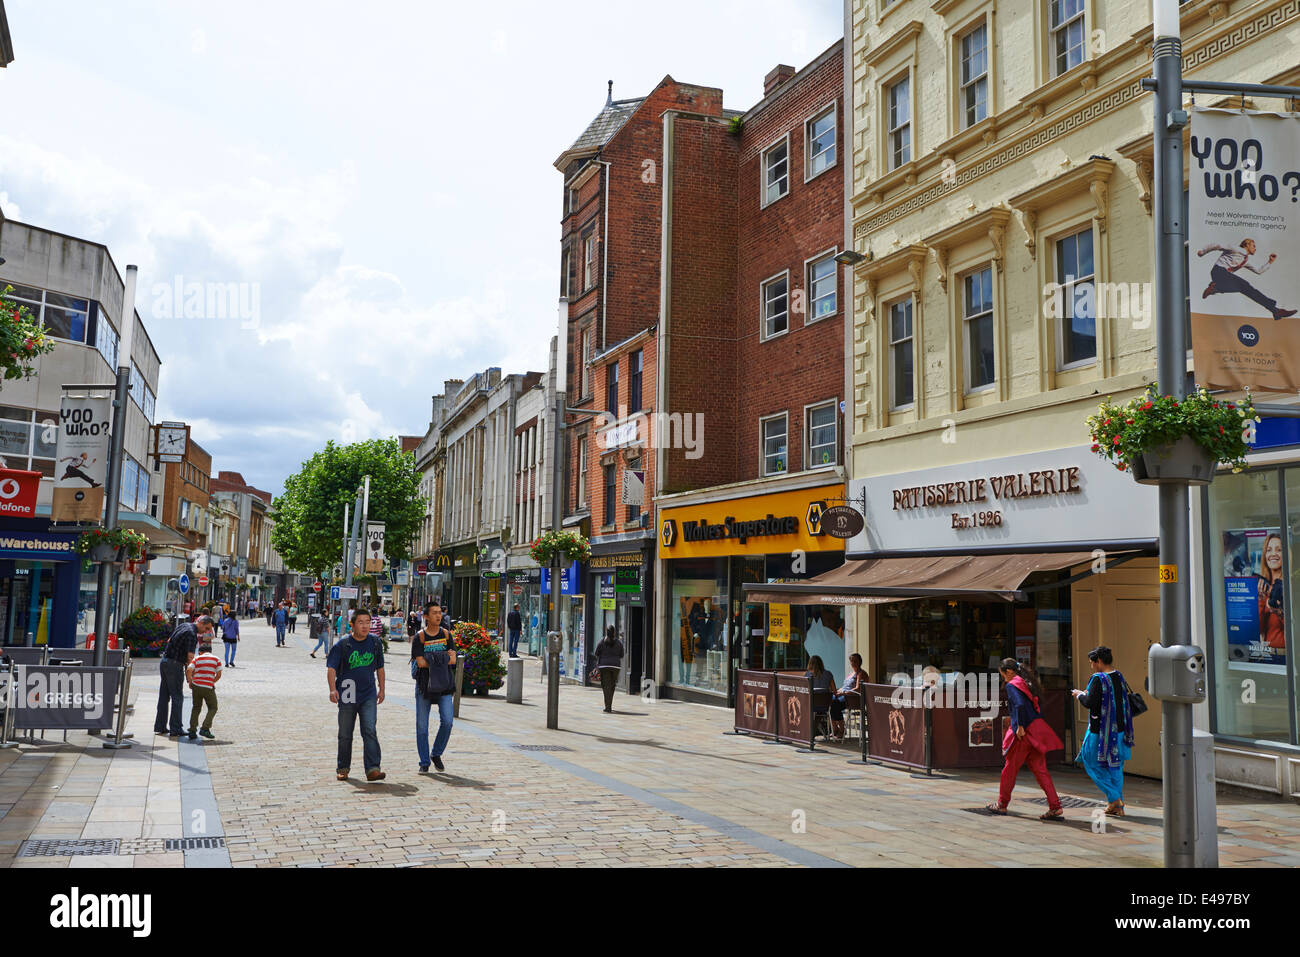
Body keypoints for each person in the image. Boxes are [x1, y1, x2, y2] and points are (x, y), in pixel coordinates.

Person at [988, 658, 1065, 820]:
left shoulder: (1012, 684)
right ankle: (1055, 806)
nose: (1003, 678)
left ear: (1008, 672)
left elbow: (1019, 705)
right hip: (1035, 730)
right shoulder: (1026, 682)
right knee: (1041, 770)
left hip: (1023, 733)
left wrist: (1020, 726)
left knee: (1009, 769)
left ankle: (1002, 805)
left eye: (1003, 674)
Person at [1071, 645, 1133, 816]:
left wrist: (1079, 695)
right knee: (1115, 766)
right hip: (1119, 729)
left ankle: (1114, 799)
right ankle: (1117, 805)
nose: (1091, 666)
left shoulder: (1098, 678)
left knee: (1090, 761)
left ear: (1098, 661)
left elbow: (1090, 703)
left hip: (1101, 731)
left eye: (1092, 662)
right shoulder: (1118, 676)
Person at [326, 608, 386, 781]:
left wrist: (382, 689)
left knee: (369, 730)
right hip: (348, 691)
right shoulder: (343, 644)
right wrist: (332, 689)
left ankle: (373, 768)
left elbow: (380, 668)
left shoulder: (375, 642)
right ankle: (343, 767)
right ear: (352, 625)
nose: (365, 626)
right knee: (345, 733)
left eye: (368, 622)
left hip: (368, 692)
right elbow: (331, 669)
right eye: (361, 622)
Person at [1198, 239, 1297, 320]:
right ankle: (1216, 288)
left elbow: (1258, 271)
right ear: (1247, 245)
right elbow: (1217, 245)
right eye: (1254, 246)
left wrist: (1270, 262)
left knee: (1249, 290)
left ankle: (1275, 311)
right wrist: (1202, 252)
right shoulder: (1235, 248)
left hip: (1224, 277)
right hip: (1219, 271)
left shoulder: (1245, 260)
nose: (1255, 248)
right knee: (1244, 285)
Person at [411, 601, 457, 772]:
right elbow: (420, 663)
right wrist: (443, 657)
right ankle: (424, 762)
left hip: (444, 684)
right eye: (434, 613)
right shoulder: (420, 637)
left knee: (447, 722)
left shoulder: (446, 634)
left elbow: (453, 660)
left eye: (440, 612)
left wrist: (432, 657)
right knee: (422, 726)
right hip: (424, 686)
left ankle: (436, 753)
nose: (439, 616)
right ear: (426, 616)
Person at [155, 615, 214, 738]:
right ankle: (176, 728)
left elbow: (169, 640)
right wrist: (190, 677)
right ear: (201, 623)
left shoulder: (184, 625)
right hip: (175, 664)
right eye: (206, 628)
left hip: (165, 661)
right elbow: (190, 657)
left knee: (164, 696)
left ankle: (160, 726)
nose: (206, 631)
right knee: (177, 697)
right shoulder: (192, 634)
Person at [185, 640, 222, 740]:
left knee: (196, 707)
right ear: (210, 651)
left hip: (196, 686)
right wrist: (211, 681)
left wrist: (190, 681)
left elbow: (189, 669)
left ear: (200, 652)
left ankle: (192, 730)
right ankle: (205, 728)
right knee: (213, 707)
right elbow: (219, 674)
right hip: (208, 687)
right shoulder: (216, 659)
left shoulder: (197, 658)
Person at [1257, 532, 1286, 651]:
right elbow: (1257, 629)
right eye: (1269, 550)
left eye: (1279, 550)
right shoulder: (1262, 586)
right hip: (1268, 654)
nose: (1273, 554)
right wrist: (1260, 601)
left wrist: (1280, 613)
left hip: (1288, 654)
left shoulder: (1291, 585)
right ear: (1265, 555)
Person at [830, 653, 870, 738]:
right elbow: (845, 687)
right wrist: (837, 691)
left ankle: (841, 730)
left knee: (835, 704)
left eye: (855, 661)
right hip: (844, 695)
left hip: (853, 698)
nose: (853, 662)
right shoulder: (851, 673)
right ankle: (834, 728)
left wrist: (844, 693)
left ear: (860, 662)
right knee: (829, 701)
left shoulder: (861, 673)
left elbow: (858, 688)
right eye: (851, 660)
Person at [592, 624, 624, 713]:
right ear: (614, 632)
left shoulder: (602, 641)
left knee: (606, 686)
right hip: (615, 666)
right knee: (612, 685)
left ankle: (608, 707)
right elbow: (622, 655)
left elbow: (596, 653)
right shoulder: (618, 642)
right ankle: (609, 704)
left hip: (604, 666)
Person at [804, 655, 837, 740]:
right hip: (825, 705)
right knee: (819, 711)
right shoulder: (828, 674)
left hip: (811, 704)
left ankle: (811, 732)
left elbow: (804, 690)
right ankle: (814, 731)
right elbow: (834, 691)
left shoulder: (807, 675)